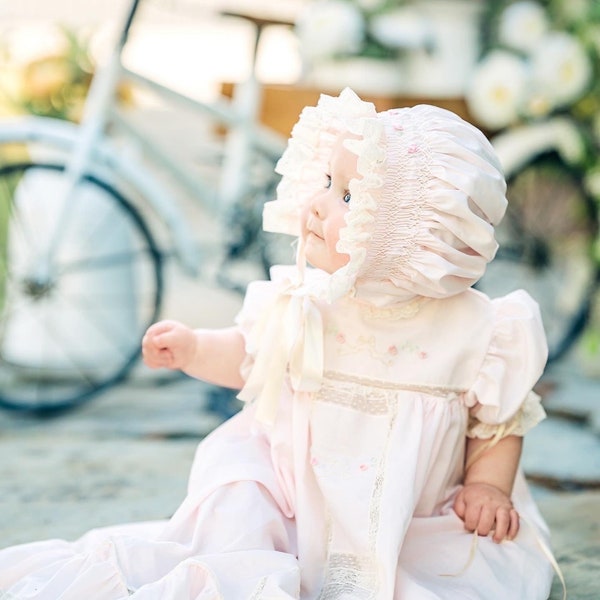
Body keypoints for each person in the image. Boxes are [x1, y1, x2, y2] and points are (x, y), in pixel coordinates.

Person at [0, 88, 556, 599]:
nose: (316, 204)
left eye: (345, 196)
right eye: (326, 184)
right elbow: (253, 357)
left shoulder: (481, 329)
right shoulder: (306, 300)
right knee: (242, 498)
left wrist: (488, 485)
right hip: (291, 493)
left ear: (411, 236)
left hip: (407, 513)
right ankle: (252, 565)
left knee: (444, 574)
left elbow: (498, 422)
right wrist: (194, 349)